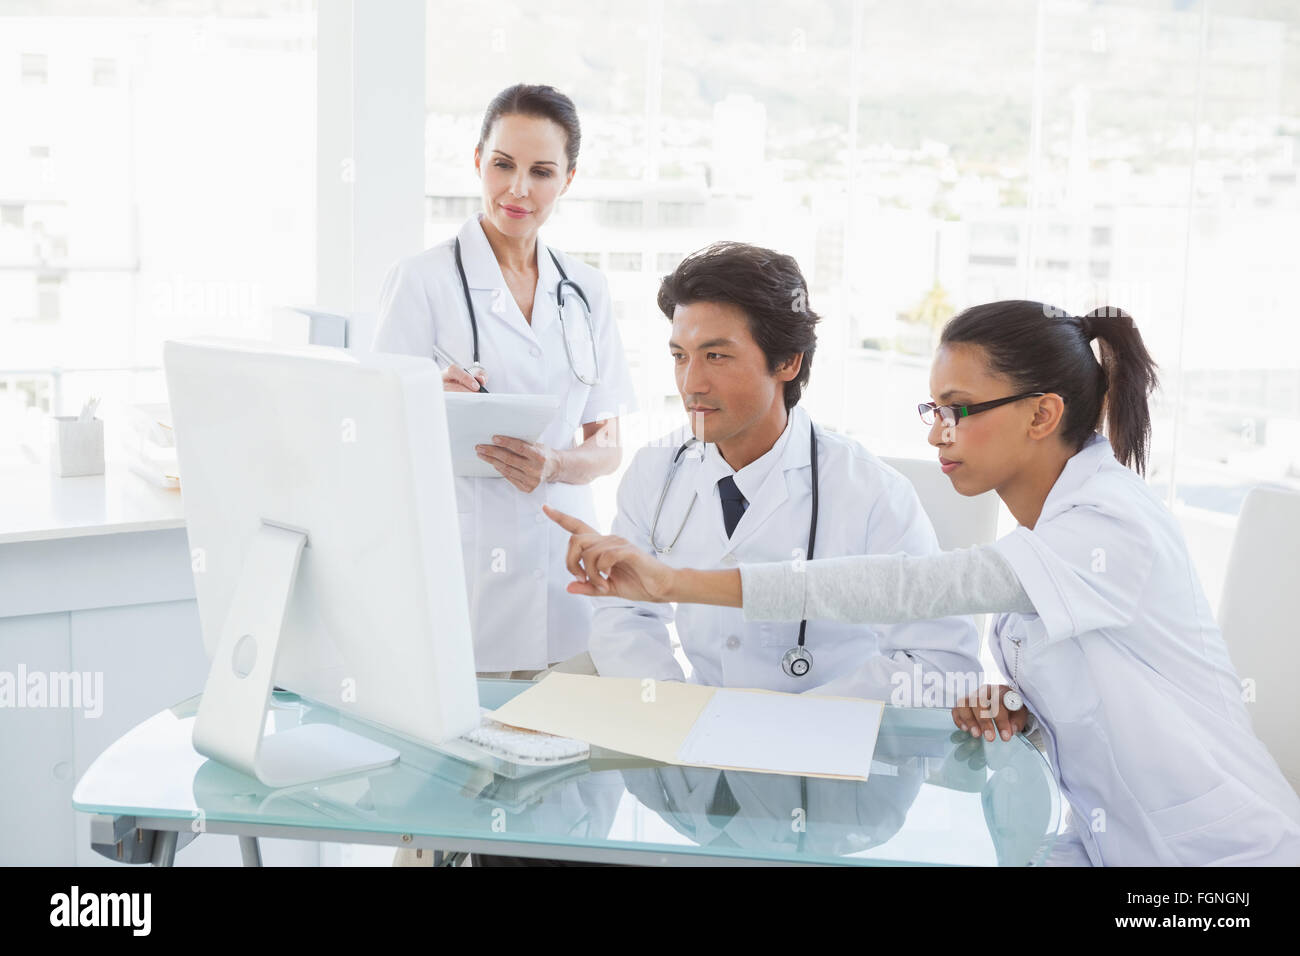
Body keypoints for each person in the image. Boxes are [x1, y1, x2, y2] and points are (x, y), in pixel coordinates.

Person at [546, 300, 1300, 866]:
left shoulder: (1108, 524)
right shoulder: (1048, 529)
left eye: (960, 411)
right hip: (1111, 846)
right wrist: (1021, 706)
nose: (937, 433)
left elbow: (910, 588)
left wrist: (675, 582)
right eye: (933, 409)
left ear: (1043, 415)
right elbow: (1107, 691)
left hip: (1219, 868)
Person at [582, 241, 977, 698]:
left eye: (716, 356)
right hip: (694, 746)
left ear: (788, 361)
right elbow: (625, 613)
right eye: (680, 356)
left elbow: (940, 663)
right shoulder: (656, 470)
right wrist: (671, 706)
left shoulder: (872, 492)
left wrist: (791, 724)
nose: (690, 384)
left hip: (829, 746)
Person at [372, 84, 635, 679]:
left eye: (541, 171)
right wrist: (425, 403)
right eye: (503, 165)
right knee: (472, 756)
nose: (518, 189)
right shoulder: (422, 282)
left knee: (570, 756)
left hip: (567, 571)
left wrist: (554, 464)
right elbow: (374, 435)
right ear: (477, 161)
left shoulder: (586, 290)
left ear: (567, 179)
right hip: (465, 574)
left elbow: (607, 442)